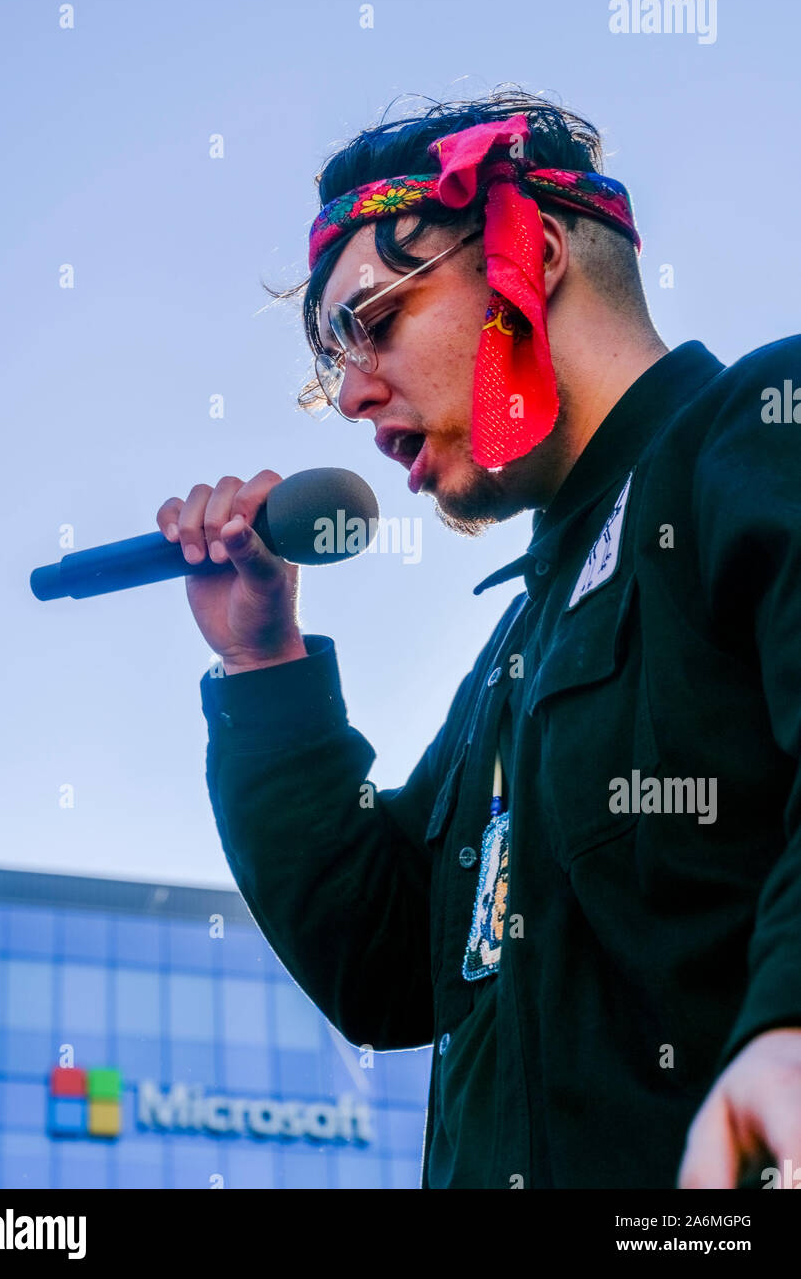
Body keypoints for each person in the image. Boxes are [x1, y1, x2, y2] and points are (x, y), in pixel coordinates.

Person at [155, 89, 801, 1189]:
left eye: (369, 321)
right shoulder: (516, 645)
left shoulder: (756, 434)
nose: (352, 395)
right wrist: (262, 668)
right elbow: (384, 962)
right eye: (328, 361)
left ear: (529, 253)